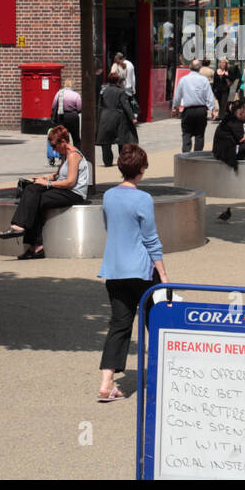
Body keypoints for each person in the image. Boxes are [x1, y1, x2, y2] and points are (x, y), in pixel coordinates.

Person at [96, 144, 168, 402]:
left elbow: (111, 227)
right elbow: (151, 239)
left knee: (119, 325)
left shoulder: (108, 196)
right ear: (141, 169)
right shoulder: (143, 199)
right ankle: (168, 373)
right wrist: (164, 275)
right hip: (142, 270)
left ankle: (106, 383)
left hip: (114, 269)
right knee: (158, 323)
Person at [0, 124, 90, 259]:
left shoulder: (73, 155)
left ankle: (23, 231)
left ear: (63, 142)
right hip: (64, 189)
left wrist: (47, 183)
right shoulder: (65, 155)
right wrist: (43, 178)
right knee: (32, 189)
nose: (54, 150)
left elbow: (70, 182)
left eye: (54, 146)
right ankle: (34, 244)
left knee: (36, 199)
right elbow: (58, 175)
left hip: (74, 194)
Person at [172, 59, 218, 152]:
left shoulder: (183, 80)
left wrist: (175, 107)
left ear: (190, 67)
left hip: (188, 110)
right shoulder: (204, 80)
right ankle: (197, 156)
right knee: (199, 134)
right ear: (200, 68)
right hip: (201, 110)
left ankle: (186, 154)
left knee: (186, 133)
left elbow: (177, 96)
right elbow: (209, 95)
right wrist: (213, 109)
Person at [97, 72, 138, 167]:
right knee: (122, 140)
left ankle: (107, 162)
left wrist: (98, 119)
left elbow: (99, 106)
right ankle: (123, 160)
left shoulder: (103, 91)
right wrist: (132, 117)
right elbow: (126, 105)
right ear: (118, 81)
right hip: (118, 117)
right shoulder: (121, 91)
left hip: (105, 117)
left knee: (106, 142)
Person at [212, 100, 245, 168]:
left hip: (226, 149)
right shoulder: (233, 121)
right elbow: (241, 139)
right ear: (240, 111)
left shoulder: (232, 119)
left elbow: (237, 138)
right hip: (223, 151)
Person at [50, 78, 82, 148]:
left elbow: (53, 106)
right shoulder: (76, 95)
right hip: (73, 117)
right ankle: (77, 154)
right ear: (72, 85)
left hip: (61, 117)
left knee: (62, 137)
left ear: (64, 84)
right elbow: (79, 108)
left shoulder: (59, 93)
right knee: (76, 137)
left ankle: (63, 154)